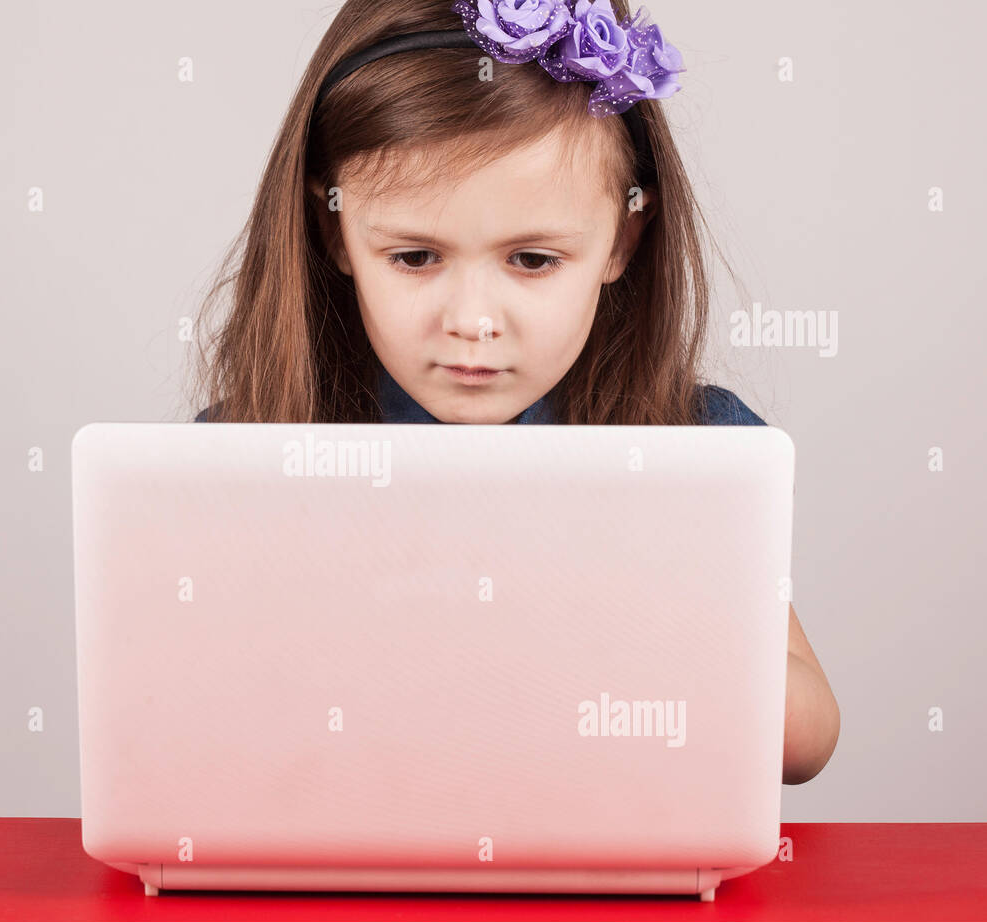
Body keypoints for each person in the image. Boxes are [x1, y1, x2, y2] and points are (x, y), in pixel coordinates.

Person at [188, 0, 839, 784]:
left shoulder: (692, 447)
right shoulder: (252, 446)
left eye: (531, 261)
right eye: (415, 257)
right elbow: (195, 712)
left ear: (623, 240)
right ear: (334, 232)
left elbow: (803, 740)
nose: (471, 321)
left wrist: (639, 601)